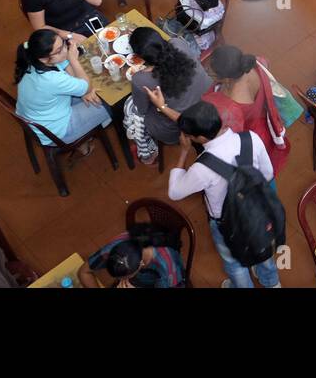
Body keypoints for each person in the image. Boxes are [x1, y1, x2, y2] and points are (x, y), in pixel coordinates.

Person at [167, 101, 280, 288]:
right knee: (265, 251)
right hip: (259, 210)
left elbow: (174, 192)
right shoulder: (250, 138)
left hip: (226, 222)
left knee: (234, 264)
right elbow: (267, 174)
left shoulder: (202, 167)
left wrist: (184, 152)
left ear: (201, 138)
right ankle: (272, 283)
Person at [124, 26, 211, 166]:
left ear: (140, 57)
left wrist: (159, 104)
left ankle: (147, 153)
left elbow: (142, 109)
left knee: (130, 109)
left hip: (177, 126)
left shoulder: (141, 79)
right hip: (208, 102)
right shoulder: (178, 43)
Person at [13, 28, 111, 151]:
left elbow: (68, 70)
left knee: (93, 95)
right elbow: (86, 87)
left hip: (41, 117)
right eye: (59, 50)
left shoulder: (32, 60)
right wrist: (73, 59)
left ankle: (93, 125)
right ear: (44, 58)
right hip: (57, 130)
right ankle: (89, 133)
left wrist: (83, 90)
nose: (66, 50)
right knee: (111, 102)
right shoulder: (51, 79)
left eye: (64, 43)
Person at [203, 45, 290, 178]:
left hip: (250, 130)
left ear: (226, 79)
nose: (207, 71)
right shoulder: (254, 64)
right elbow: (267, 63)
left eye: (211, 72)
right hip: (262, 119)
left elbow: (230, 132)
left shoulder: (232, 103)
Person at [79, 227, 185, 288]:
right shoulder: (113, 248)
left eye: (125, 278)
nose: (120, 282)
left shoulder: (167, 268)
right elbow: (83, 272)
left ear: (141, 264)